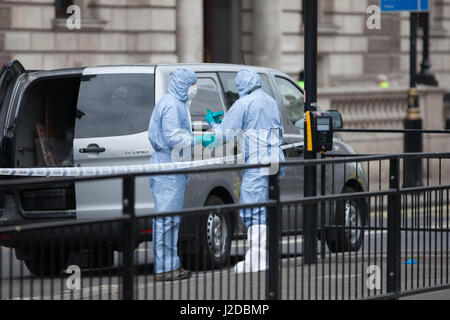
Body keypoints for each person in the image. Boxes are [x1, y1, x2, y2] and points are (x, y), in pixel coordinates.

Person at [205, 69, 286, 273]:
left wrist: (213, 124)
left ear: (242, 85)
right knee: (264, 209)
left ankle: (257, 260)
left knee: (254, 210)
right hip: (275, 162)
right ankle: (264, 257)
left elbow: (224, 135)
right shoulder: (270, 101)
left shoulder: (244, 103)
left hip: (257, 164)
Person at [148, 67, 215, 281]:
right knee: (166, 220)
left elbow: (179, 135)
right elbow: (173, 138)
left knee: (171, 220)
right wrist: (200, 140)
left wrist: (206, 130)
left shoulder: (178, 104)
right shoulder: (170, 105)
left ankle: (171, 266)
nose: (194, 88)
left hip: (174, 166)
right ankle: (164, 269)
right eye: (191, 84)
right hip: (167, 167)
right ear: (182, 84)